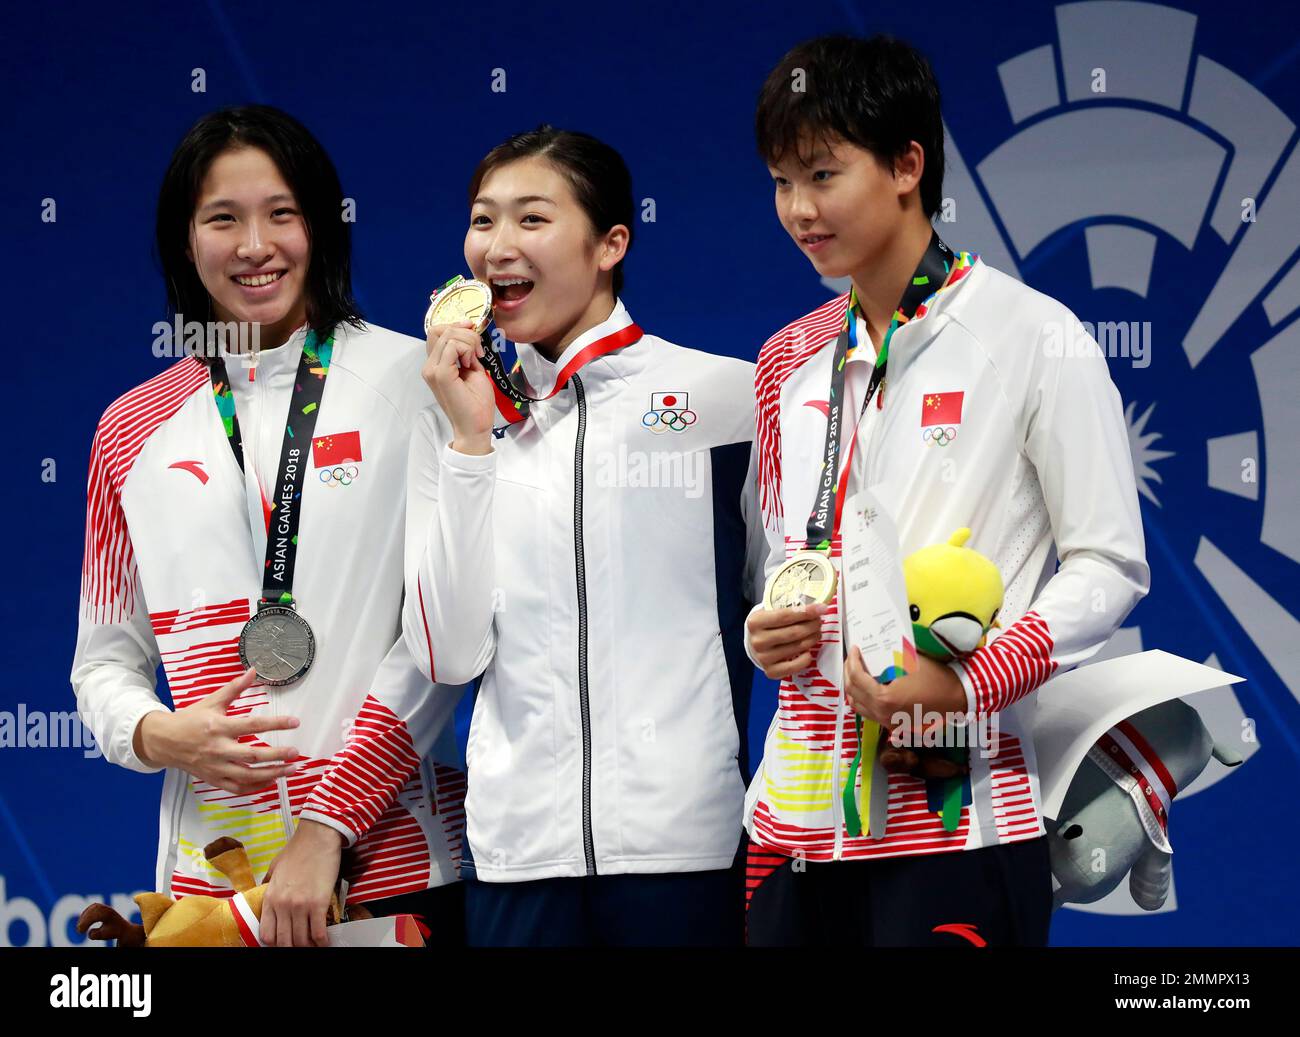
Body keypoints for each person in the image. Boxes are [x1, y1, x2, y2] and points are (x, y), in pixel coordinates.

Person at [742, 35, 1150, 946]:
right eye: (779, 182)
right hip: (792, 828)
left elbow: (1110, 562)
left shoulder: (1036, 335)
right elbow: (789, 564)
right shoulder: (783, 362)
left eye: (821, 174)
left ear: (907, 165)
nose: (798, 210)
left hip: (959, 824)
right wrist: (768, 630)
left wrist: (965, 682)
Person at [71, 105, 466, 947]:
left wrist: (331, 825)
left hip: (391, 868)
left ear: (320, 225)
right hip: (211, 892)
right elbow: (104, 660)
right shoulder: (130, 428)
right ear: (186, 241)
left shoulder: (414, 382)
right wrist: (155, 730)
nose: (256, 245)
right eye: (224, 218)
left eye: (281, 213)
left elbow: (445, 639)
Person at [406, 125, 765, 946]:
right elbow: (447, 654)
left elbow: (788, 606)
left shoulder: (724, 398)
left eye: (532, 220)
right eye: (483, 220)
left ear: (611, 244)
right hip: (516, 861)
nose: (498, 246)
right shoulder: (454, 417)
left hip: (686, 854)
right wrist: (467, 445)